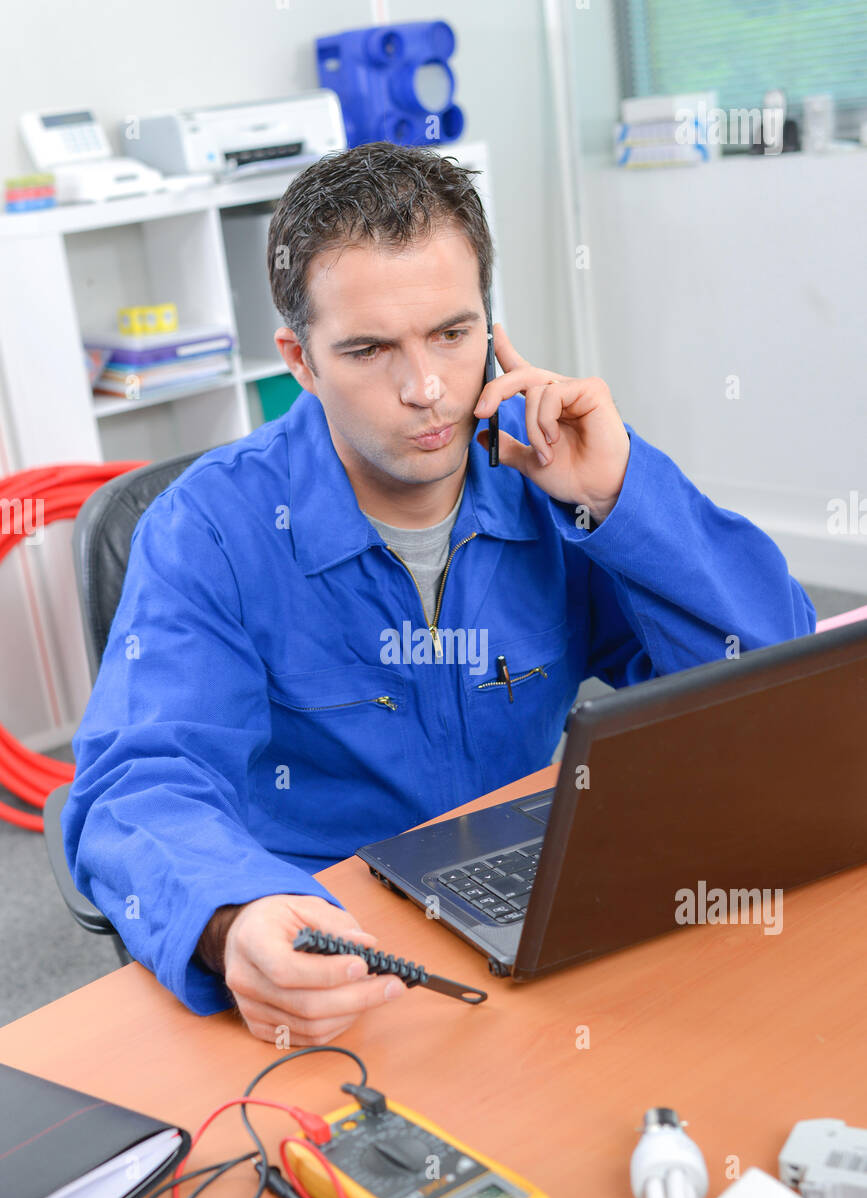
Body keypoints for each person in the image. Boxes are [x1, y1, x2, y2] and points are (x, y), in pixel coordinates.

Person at [61, 142, 815, 1045]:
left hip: (539, 904)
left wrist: (619, 497)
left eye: (452, 336)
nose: (426, 390)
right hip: (341, 955)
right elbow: (138, 786)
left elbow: (769, 683)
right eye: (370, 349)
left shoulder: (550, 470)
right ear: (299, 360)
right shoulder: (208, 530)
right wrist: (235, 917)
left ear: (490, 326)